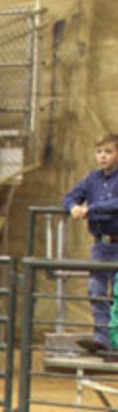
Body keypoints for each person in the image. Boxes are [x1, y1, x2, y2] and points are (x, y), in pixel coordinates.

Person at [60, 133, 118, 353]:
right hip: (101, 244)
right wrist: (73, 207)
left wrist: (91, 209)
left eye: (108, 152)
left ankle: (115, 339)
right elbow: (69, 197)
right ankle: (103, 339)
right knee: (96, 289)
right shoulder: (92, 179)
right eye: (99, 152)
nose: (103, 156)